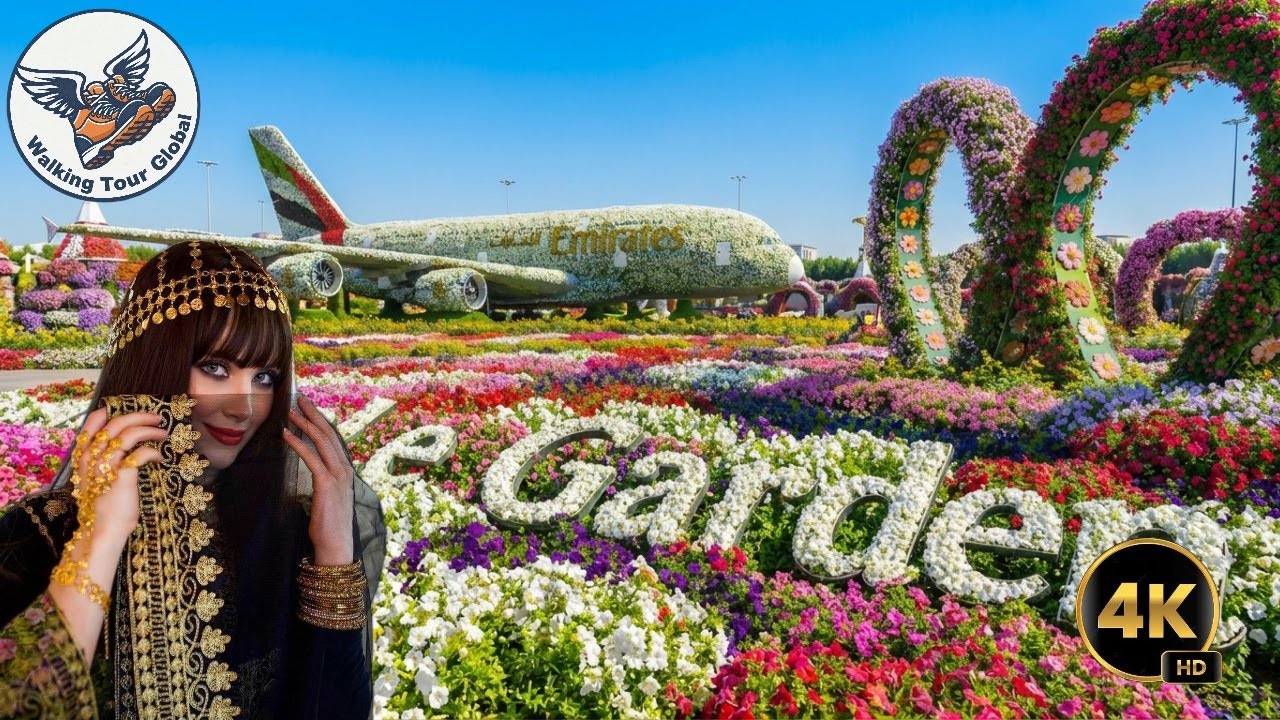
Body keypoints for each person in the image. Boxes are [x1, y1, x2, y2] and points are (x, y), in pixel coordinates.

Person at [0, 240, 385, 719]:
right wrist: (101, 540)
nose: (243, 408)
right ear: (151, 362)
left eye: (265, 377)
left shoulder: (286, 529)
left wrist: (333, 553)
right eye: (216, 368)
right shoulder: (38, 538)